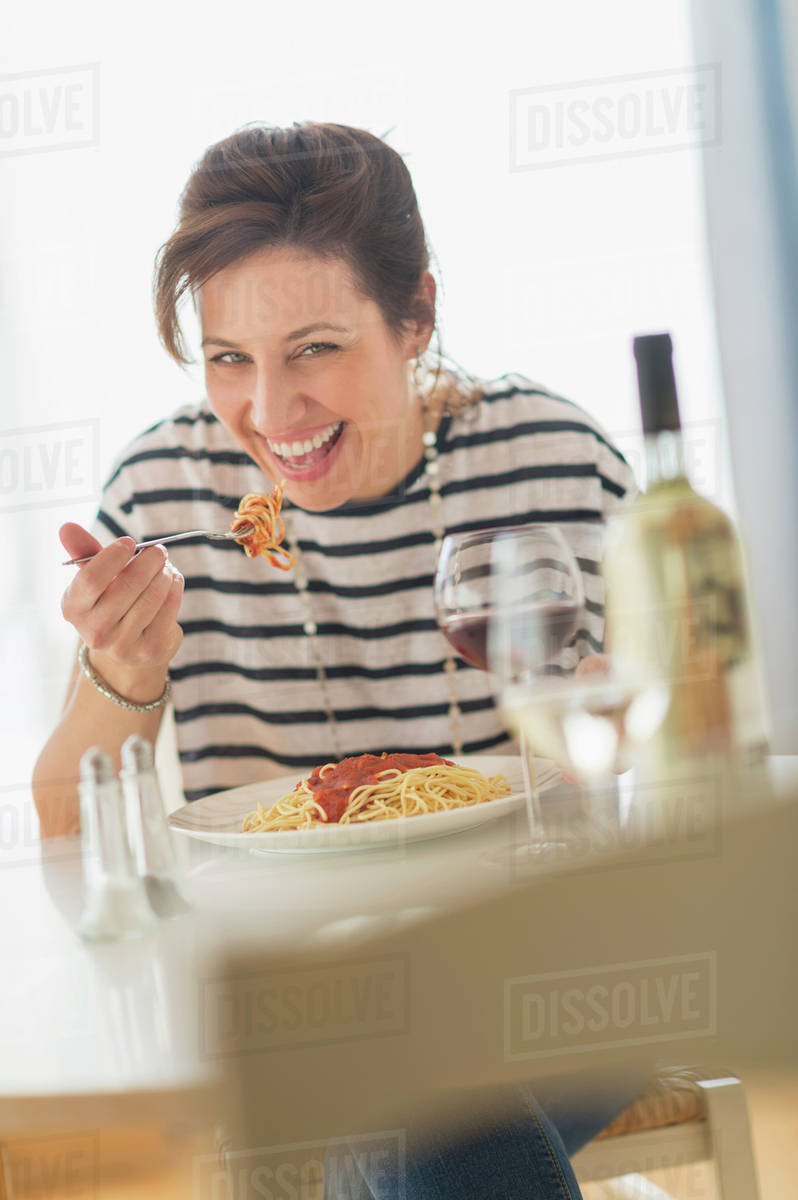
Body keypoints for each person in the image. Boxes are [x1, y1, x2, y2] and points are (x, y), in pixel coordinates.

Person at [33, 122, 638, 1197]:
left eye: (314, 349)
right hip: (291, 992)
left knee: (403, 1084)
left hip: (553, 971)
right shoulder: (167, 496)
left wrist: (616, 735)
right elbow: (75, 840)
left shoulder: (553, 463)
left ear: (416, 318)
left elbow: (677, 771)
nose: (271, 414)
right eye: (230, 360)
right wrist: (122, 672)